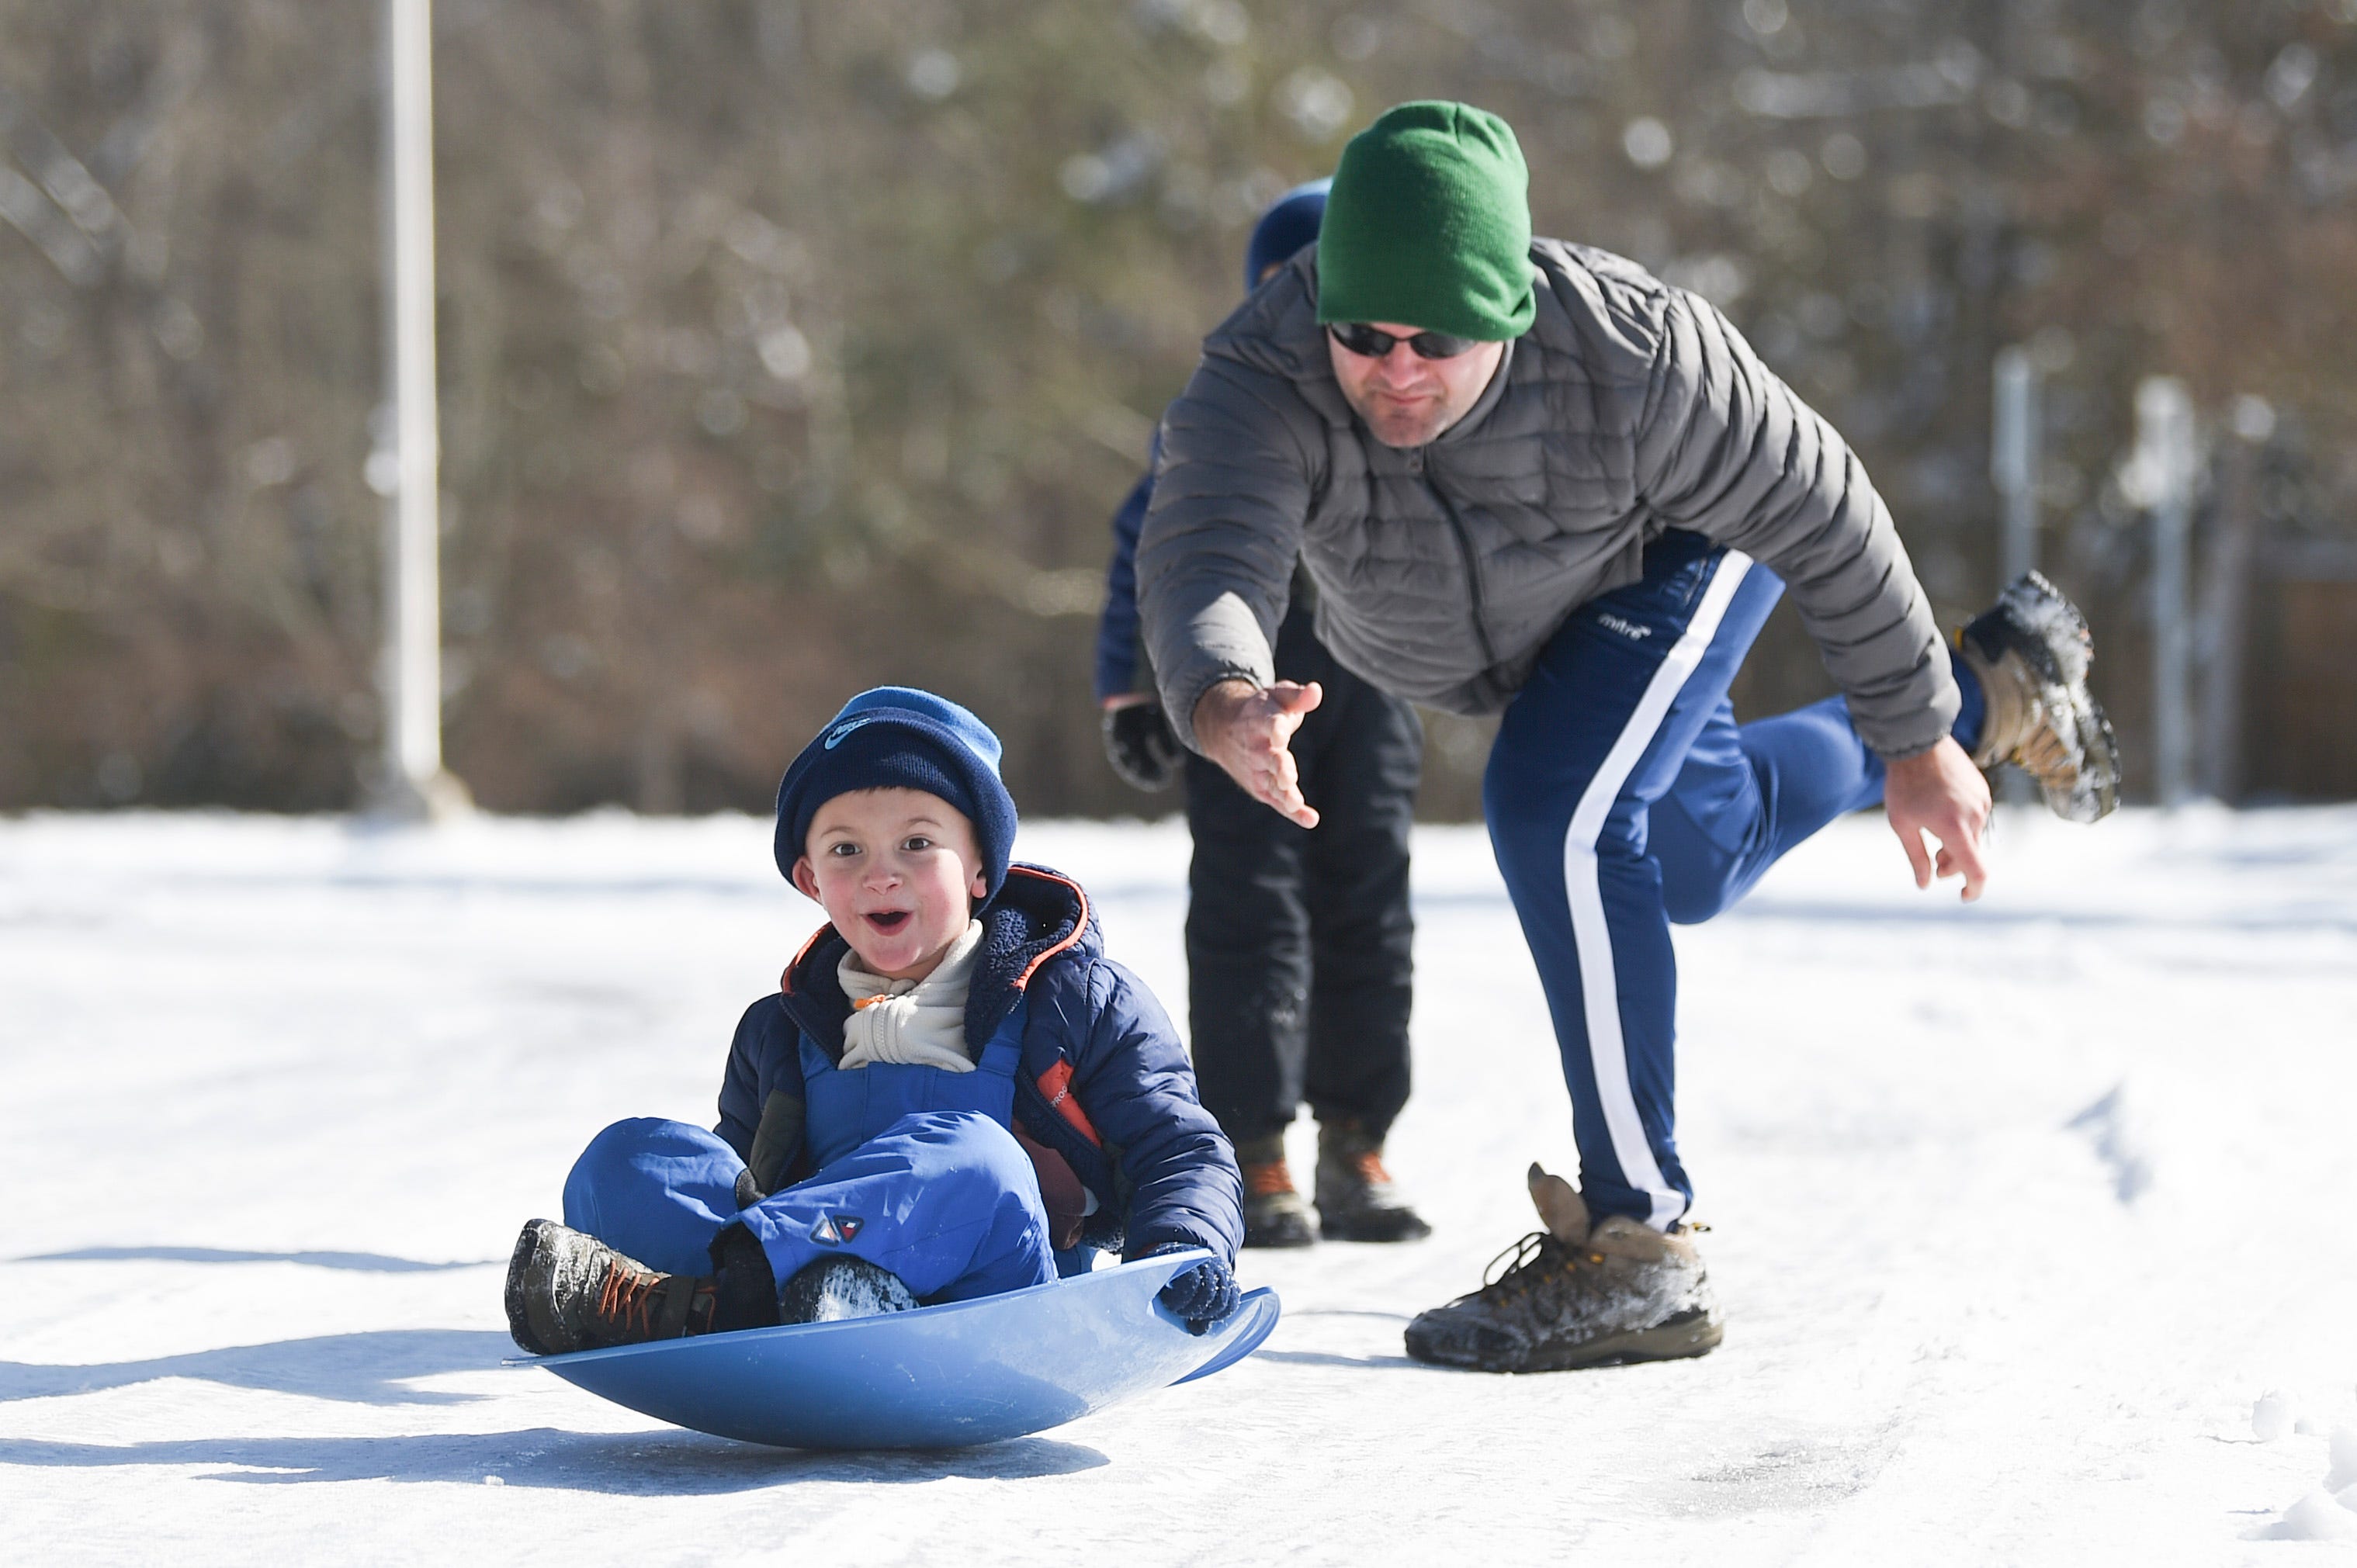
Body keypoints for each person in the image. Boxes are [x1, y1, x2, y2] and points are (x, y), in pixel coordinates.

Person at [1135, 102, 2120, 1372]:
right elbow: (1207, 546)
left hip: (1674, 560)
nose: (1394, 371)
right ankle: (2001, 691)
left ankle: (1637, 1239)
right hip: (1515, 641)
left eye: (1435, 340)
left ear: (1503, 312)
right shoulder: (1263, 372)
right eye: (1362, 336)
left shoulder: (1639, 355)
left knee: (1556, 814)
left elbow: (1826, 510)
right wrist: (1223, 690)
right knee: (1695, 858)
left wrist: (1914, 736)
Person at [504, 687, 1246, 1355]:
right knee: (630, 1158)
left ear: (980, 869)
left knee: (976, 1157)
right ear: (810, 878)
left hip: (1000, 1307)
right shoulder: (781, 1031)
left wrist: (1182, 1246)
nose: (880, 873)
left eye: (917, 844)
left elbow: (1178, 1147)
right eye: (845, 849)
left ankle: (720, 1307)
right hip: (809, 1282)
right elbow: (736, 1184)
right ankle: (762, 1304)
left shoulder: (1074, 1002)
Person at [1098, 181, 1430, 1249]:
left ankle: (1357, 1138)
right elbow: (1150, 545)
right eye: (1287, 285)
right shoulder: (1225, 409)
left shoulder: (1407, 402)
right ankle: (1253, 1146)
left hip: (1372, 687)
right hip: (1239, 696)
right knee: (1248, 909)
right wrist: (1130, 684)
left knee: (1369, 904)